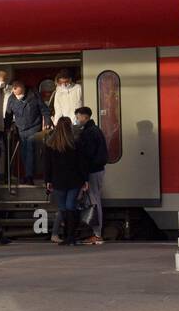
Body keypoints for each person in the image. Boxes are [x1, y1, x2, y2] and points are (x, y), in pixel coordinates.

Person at [44, 117, 90, 247]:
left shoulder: (51, 144)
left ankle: (67, 235)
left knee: (63, 208)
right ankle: (71, 236)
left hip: (58, 180)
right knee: (71, 206)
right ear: (69, 127)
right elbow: (82, 163)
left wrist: (47, 180)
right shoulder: (75, 143)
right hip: (74, 180)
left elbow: (48, 165)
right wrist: (85, 179)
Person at [75, 107, 109, 245]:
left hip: (93, 171)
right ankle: (96, 233)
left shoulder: (88, 133)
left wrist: (84, 176)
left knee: (94, 202)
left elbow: (86, 156)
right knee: (95, 200)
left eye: (78, 117)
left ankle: (97, 234)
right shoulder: (96, 130)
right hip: (98, 169)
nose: (77, 120)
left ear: (84, 117)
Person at [6, 80, 50, 183]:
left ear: (23, 87)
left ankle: (29, 176)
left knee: (30, 149)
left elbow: (44, 109)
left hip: (34, 127)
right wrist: (7, 127)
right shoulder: (11, 98)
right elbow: (8, 115)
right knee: (24, 152)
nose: (14, 89)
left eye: (16, 87)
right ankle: (28, 174)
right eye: (13, 87)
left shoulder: (34, 95)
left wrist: (47, 120)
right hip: (21, 129)